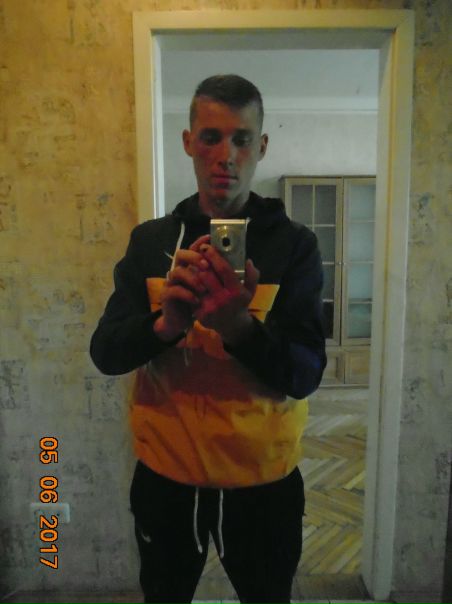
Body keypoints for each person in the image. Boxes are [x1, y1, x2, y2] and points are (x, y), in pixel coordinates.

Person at [90, 74, 326, 604]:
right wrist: (166, 325)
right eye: (211, 138)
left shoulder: (294, 247)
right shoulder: (151, 242)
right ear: (188, 142)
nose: (226, 156)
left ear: (261, 147)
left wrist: (239, 328)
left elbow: (306, 374)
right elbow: (105, 353)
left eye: (242, 139)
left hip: (263, 481)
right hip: (167, 479)